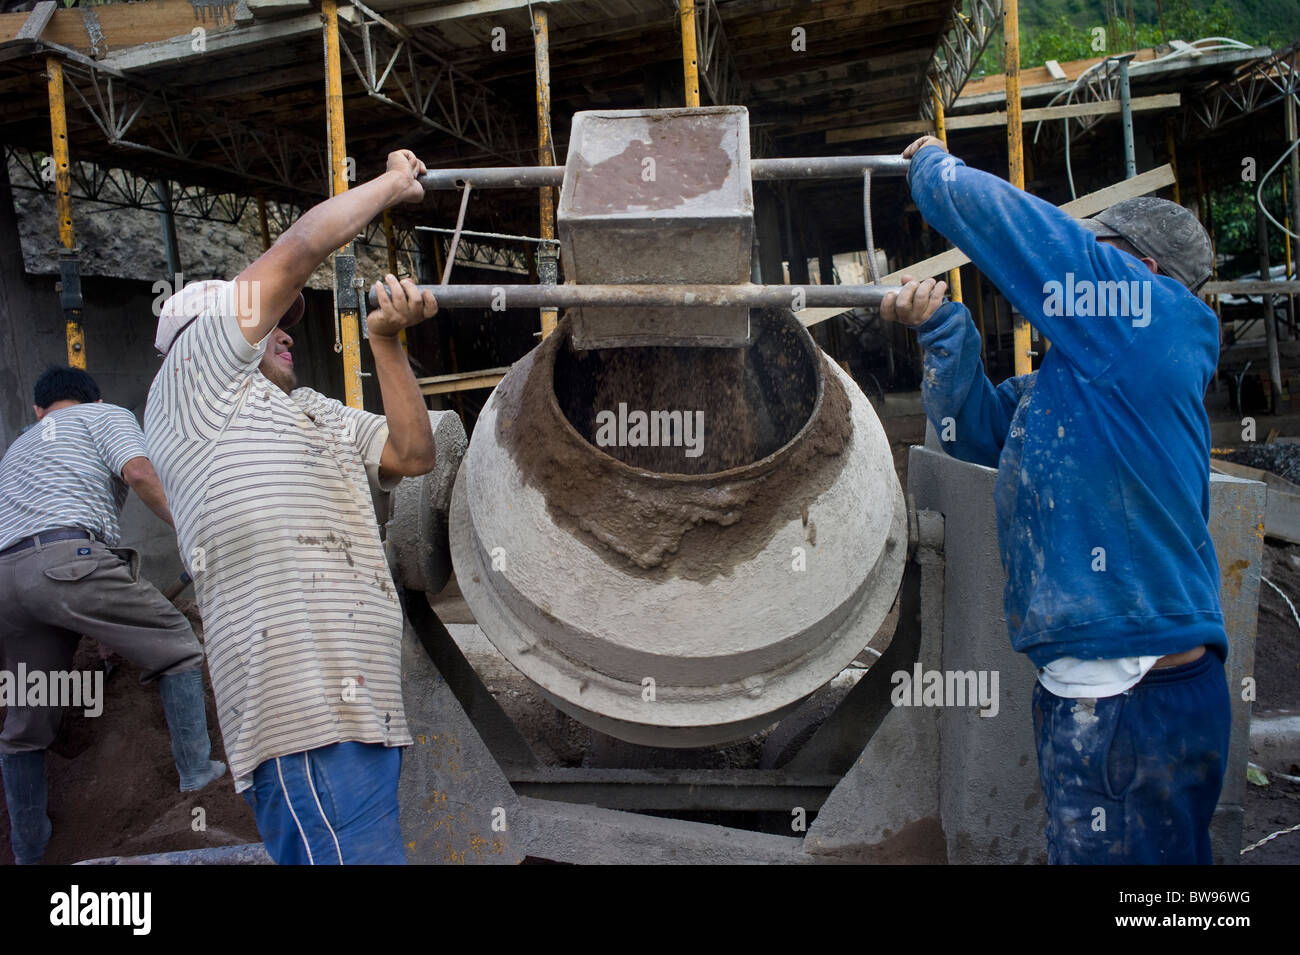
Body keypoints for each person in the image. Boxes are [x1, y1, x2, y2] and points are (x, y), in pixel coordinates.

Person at [882, 135, 1229, 864]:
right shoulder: (1077, 385)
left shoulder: (1148, 317)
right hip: (1107, 695)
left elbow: (1024, 234)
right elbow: (970, 433)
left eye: (1098, 257)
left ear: (1142, 271)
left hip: (1131, 696)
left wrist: (935, 174)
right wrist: (945, 332)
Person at [145, 149, 439, 865]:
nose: (283, 328)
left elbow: (412, 455)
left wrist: (385, 342)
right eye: (269, 317)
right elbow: (301, 246)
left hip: (361, 710)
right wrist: (392, 184)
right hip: (300, 720)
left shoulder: (307, 409)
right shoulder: (193, 383)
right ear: (207, 338)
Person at [0, 366, 224, 865]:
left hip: (6, 581)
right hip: (64, 561)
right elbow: (140, 472)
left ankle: (28, 849)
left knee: (27, 719)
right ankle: (197, 771)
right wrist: (193, 534)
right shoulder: (104, 416)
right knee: (176, 642)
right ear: (93, 398)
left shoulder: (19, 446)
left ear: (39, 410)